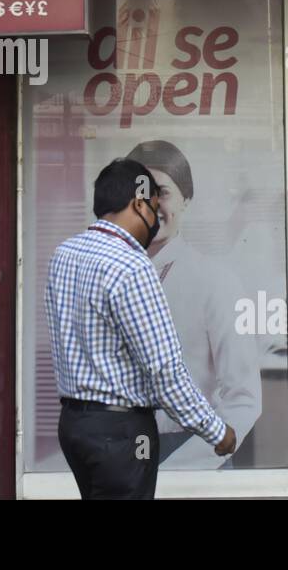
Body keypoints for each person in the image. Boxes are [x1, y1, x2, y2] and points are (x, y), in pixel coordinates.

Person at [46, 157, 235, 499]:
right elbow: (165, 371)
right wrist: (216, 431)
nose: (156, 218)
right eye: (154, 207)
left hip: (74, 426)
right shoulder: (132, 266)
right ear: (138, 204)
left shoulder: (65, 253)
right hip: (120, 433)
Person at [125, 140, 261, 467]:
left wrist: (178, 471)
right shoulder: (111, 278)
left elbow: (243, 399)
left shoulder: (215, 282)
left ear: (186, 199)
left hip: (193, 453)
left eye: (162, 192)